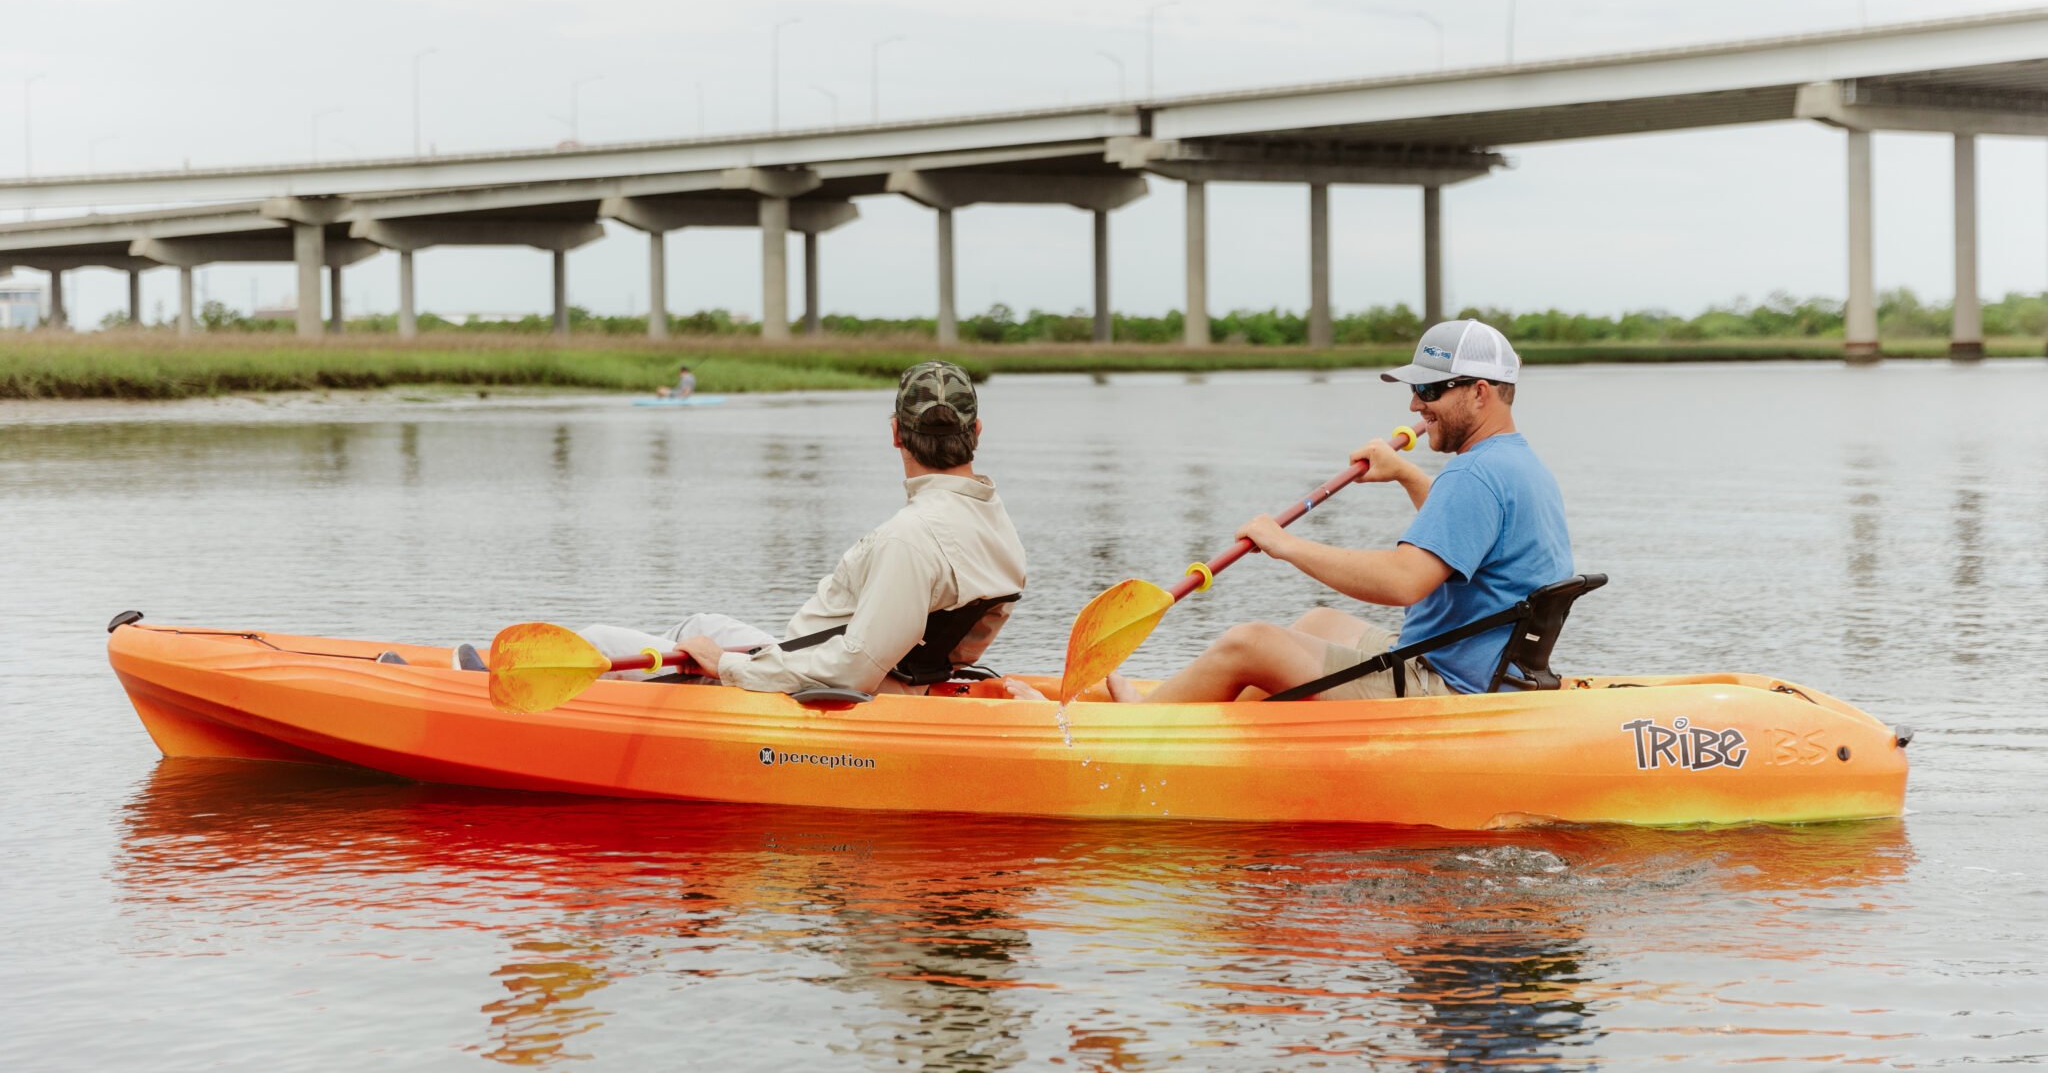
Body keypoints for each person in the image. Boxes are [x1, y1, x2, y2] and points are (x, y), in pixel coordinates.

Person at [1112, 319, 1571, 703]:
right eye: (1415, 389)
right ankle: (1222, 727)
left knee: (1247, 642)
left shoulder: (1472, 475)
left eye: (1429, 390)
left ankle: (1138, 730)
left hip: (1445, 687)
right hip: (1475, 668)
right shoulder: (1514, 464)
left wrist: (1286, 545)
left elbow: (1403, 581)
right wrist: (1406, 475)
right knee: (1318, 622)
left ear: (1480, 393)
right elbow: (1466, 536)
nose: (1415, 405)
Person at [578, 360, 1029, 697]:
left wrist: (728, 667)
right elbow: (950, 646)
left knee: (595, 642)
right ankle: (665, 696)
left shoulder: (908, 538)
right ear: (978, 432)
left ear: (895, 433)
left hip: (822, 693)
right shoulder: (997, 525)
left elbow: (857, 670)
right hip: (836, 668)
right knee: (702, 624)